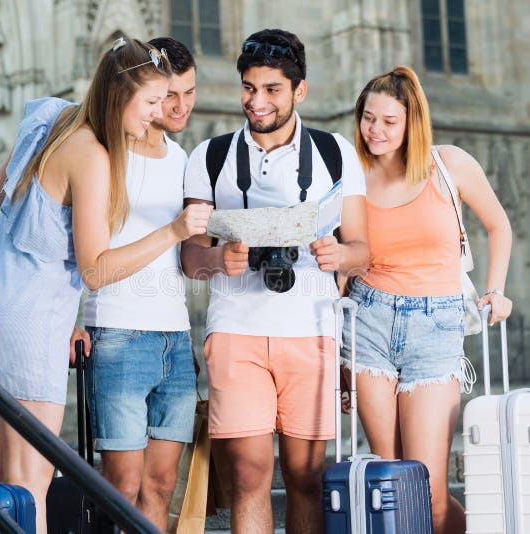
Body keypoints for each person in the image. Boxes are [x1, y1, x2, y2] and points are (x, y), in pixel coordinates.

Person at [0, 36, 210, 533]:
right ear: (118, 96)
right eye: (151, 101)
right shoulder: (93, 154)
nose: (158, 113)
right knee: (30, 484)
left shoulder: (54, 116)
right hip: (31, 326)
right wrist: (174, 231)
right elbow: (95, 270)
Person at [180, 29, 370, 533]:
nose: (256, 101)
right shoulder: (211, 156)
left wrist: (339, 254)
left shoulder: (334, 154)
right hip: (236, 331)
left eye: (271, 89)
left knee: (307, 477)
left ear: (299, 90)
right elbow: (189, 257)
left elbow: (363, 249)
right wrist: (220, 260)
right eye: (248, 88)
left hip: (311, 332)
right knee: (247, 476)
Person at [342, 65, 513, 533]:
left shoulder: (449, 164)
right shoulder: (352, 175)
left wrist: (495, 289)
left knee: (429, 490)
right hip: (368, 323)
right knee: (390, 481)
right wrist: (336, 356)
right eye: (367, 117)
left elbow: (499, 224)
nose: (374, 130)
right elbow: (344, 260)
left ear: (412, 123)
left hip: (436, 327)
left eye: (388, 121)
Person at [68, 36, 201, 531]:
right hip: (118, 333)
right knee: (120, 484)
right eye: (167, 95)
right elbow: (78, 254)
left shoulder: (181, 157)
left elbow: (183, 255)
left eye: (188, 94)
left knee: (161, 484)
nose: (178, 106)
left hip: (172, 333)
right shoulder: (102, 152)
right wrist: (70, 320)